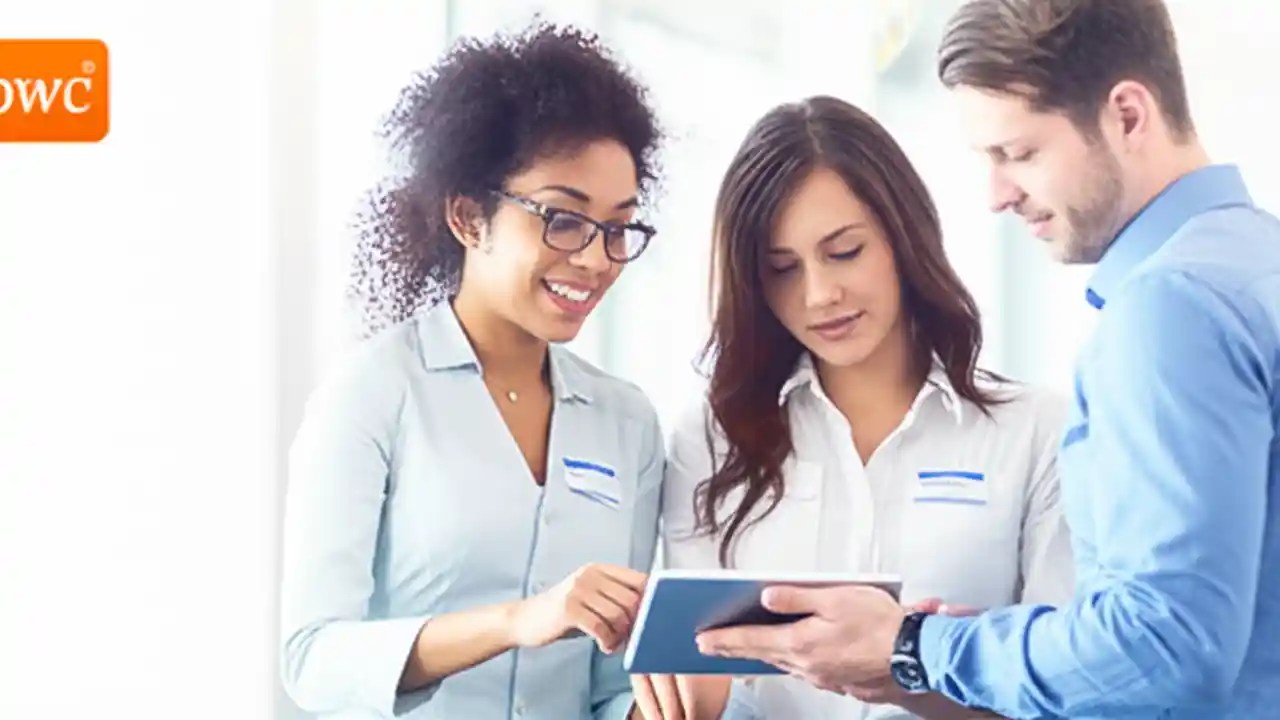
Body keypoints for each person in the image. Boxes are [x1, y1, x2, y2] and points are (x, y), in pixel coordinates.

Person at [695, 1, 1280, 718]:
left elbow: (1161, 649)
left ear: (1128, 115)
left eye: (1020, 153)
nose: (999, 195)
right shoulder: (1257, 265)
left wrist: (917, 647)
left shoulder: (1169, 307)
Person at [630, 95, 1074, 720]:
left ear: (902, 236)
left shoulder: (1035, 433)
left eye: (844, 252)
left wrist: (903, 668)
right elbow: (705, 680)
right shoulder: (712, 436)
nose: (819, 295)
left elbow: (1065, 693)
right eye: (782, 269)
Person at [278, 22, 667, 720]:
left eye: (618, 227)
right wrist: (519, 621)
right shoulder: (374, 392)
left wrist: (675, 701)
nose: (596, 258)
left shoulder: (626, 421)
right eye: (563, 219)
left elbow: (609, 689)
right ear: (467, 216)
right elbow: (314, 659)